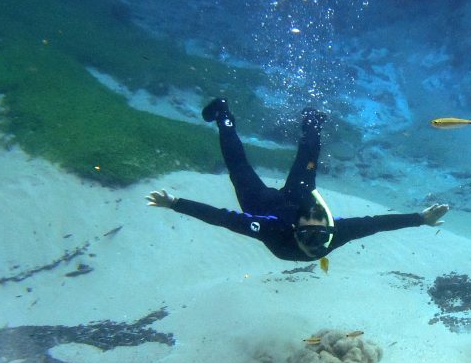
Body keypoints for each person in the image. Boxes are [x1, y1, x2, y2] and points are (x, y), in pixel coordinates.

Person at [147, 98, 449, 261]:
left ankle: (228, 117)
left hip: (269, 203)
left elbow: (375, 224)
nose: (316, 245)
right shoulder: (274, 229)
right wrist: (419, 219)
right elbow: (375, 224)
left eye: (318, 236)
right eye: (312, 237)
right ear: (295, 231)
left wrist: (176, 203)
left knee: (242, 168)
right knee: (297, 163)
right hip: (270, 206)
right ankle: (307, 121)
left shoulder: (331, 233)